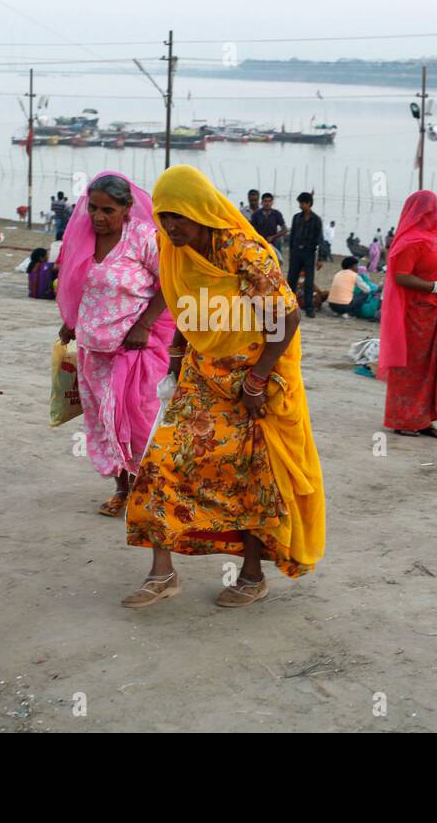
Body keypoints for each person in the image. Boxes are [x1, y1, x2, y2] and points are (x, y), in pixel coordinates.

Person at [123, 165, 324, 609]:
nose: (171, 225)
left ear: (200, 209)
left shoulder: (244, 252)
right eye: (164, 215)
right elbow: (182, 304)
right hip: (201, 375)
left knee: (250, 477)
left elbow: (284, 317)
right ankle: (162, 573)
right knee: (162, 461)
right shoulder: (171, 249)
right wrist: (177, 354)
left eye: (179, 215)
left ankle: (251, 577)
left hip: (254, 380)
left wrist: (256, 379)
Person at [57, 172, 175, 517]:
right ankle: (121, 489)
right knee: (103, 421)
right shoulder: (84, 238)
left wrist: (144, 323)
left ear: (127, 208)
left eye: (108, 210)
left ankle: (147, 488)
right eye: (93, 208)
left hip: (134, 348)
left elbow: (169, 284)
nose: (98, 217)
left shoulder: (143, 239)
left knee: (134, 419)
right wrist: (70, 321)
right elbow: (79, 284)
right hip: (93, 346)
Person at [378, 191, 437, 438]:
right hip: (416, 315)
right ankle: (404, 419)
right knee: (411, 367)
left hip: (435, 314)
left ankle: (424, 418)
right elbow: (401, 276)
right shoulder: (410, 242)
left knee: (431, 367)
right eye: (436, 210)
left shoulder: (433, 238)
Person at [287, 191, 323, 318]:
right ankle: (288, 305)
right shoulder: (296, 218)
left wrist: (320, 259)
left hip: (309, 253)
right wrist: (291, 253)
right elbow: (292, 237)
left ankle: (309, 308)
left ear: (308, 203)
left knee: (309, 282)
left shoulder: (316, 220)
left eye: (302, 203)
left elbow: (320, 239)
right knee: (291, 279)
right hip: (296, 251)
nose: (300, 206)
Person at [250, 191, 286, 259]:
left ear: (272, 202)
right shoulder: (256, 214)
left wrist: (273, 237)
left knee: (274, 263)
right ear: (262, 202)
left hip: (273, 244)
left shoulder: (276, 214)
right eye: (265, 201)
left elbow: (284, 229)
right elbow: (251, 229)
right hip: (260, 244)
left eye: (269, 201)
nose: (267, 203)